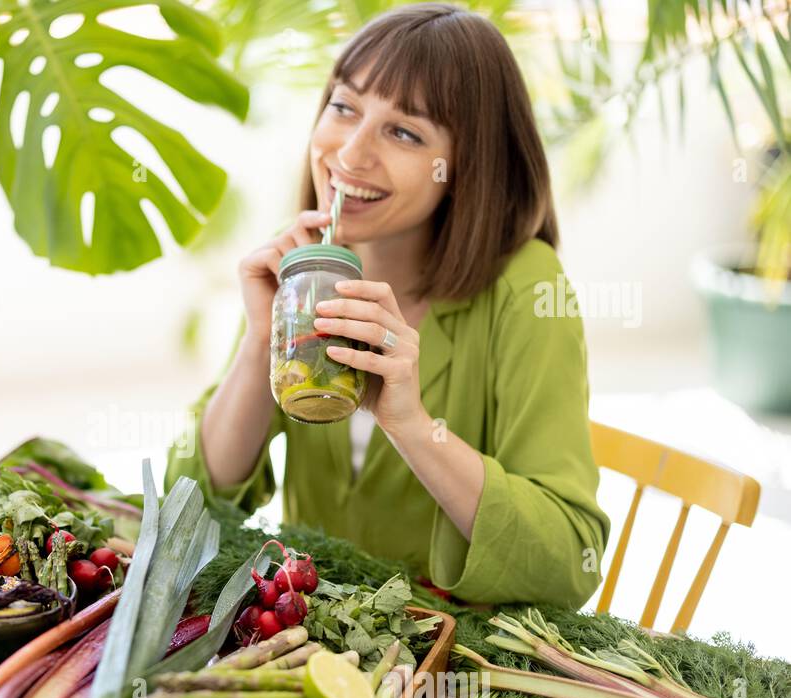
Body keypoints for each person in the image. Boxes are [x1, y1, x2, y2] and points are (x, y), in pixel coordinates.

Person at [166, 3, 610, 607]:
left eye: (404, 132)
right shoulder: (310, 268)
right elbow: (186, 510)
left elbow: (567, 559)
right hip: (303, 633)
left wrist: (411, 424)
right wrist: (257, 343)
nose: (348, 156)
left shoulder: (528, 287)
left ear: (465, 166)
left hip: (448, 661)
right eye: (344, 106)